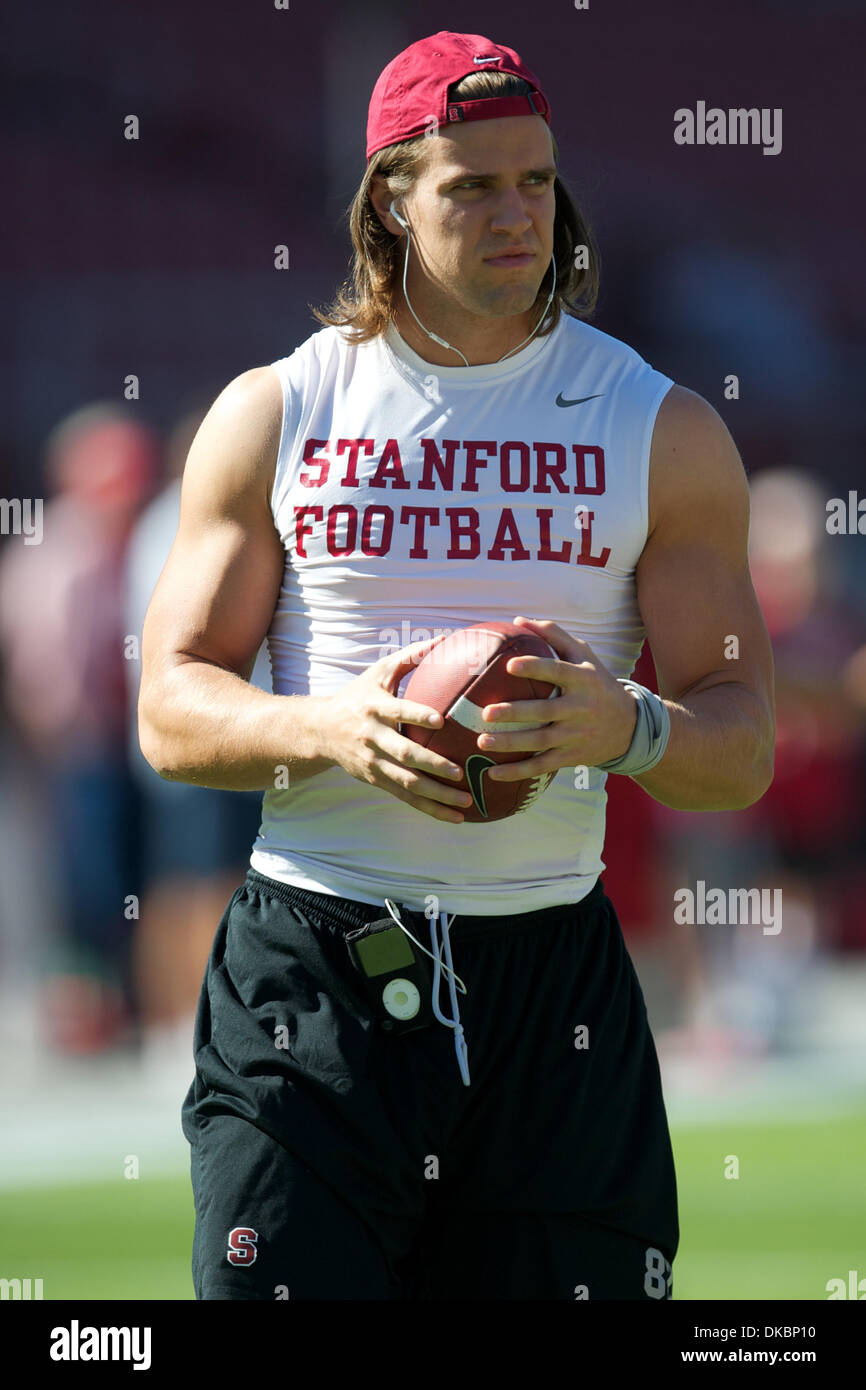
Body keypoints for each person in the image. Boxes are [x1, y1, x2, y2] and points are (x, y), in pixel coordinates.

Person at [138, 30, 775, 1300]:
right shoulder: (279, 410)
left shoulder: (657, 427)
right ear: (388, 196)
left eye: (534, 181)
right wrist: (331, 730)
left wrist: (626, 723)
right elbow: (167, 707)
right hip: (312, 972)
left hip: (552, 985)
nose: (515, 215)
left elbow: (739, 741)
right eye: (470, 185)